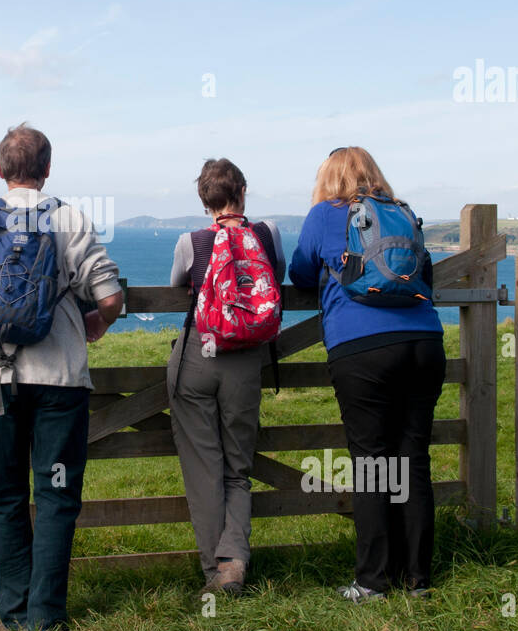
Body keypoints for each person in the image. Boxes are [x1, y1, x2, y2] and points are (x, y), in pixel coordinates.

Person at [0, 123, 123, 631]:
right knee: (58, 494)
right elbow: (109, 297)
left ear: (1, 170)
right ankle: (47, 616)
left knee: (7, 495)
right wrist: (97, 322)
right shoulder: (68, 217)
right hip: (60, 377)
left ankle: (12, 614)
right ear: (46, 169)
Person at [288, 146, 444, 602]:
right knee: (412, 457)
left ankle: (374, 580)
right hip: (424, 341)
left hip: (363, 348)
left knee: (373, 461)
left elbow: (299, 273)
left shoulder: (323, 215)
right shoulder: (402, 212)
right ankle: (417, 580)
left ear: (327, 179)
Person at [166, 158, 284, 595]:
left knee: (204, 470)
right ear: (243, 190)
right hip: (247, 358)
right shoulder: (268, 235)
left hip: (199, 352)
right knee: (238, 466)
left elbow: (178, 283)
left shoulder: (191, 241)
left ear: (203, 198)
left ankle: (214, 573)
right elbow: (276, 281)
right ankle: (233, 561)